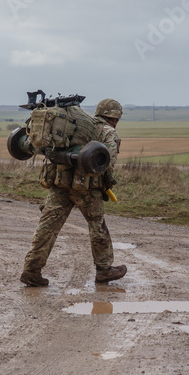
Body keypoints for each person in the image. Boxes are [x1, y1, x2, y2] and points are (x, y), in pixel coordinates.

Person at [20, 98, 127, 287]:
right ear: (115, 118)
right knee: (97, 225)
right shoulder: (108, 131)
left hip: (59, 182)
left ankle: (31, 270)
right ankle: (104, 270)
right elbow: (107, 162)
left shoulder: (77, 125)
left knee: (48, 226)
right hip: (86, 187)